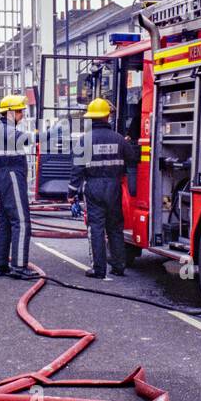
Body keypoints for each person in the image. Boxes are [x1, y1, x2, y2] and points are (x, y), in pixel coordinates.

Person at [69, 97, 138, 279]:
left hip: (93, 187)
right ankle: (119, 266)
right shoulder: (120, 140)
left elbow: (77, 169)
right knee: (115, 227)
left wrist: (71, 193)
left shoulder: (84, 141)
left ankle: (99, 269)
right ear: (108, 117)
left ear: (91, 118)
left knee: (97, 228)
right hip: (114, 187)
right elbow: (132, 160)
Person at [0, 94, 37, 279]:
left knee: (5, 222)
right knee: (21, 222)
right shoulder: (8, 132)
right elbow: (31, 138)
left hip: (2, 178)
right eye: (19, 111)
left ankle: (0, 264)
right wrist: (55, 132)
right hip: (11, 178)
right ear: (9, 112)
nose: (22, 115)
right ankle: (19, 266)